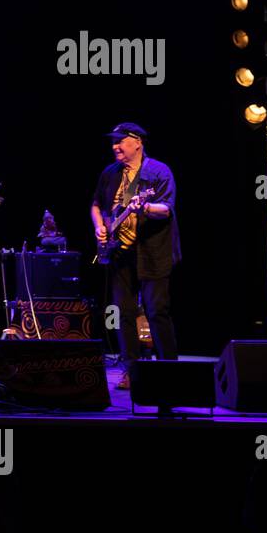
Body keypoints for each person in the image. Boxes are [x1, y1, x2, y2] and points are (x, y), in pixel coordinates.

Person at [90, 122, 180, 389]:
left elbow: (166, 209)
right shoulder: (110, 173)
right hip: (119, 253)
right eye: (113, 142)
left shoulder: (159, 171)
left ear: (137, 142)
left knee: (157, 312)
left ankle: (170, 373)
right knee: (124, 314)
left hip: (152, 252)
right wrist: (100, 226)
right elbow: (96, 205)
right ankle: (132, 371)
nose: (115, 146)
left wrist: (145, 207)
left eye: (120, 141)